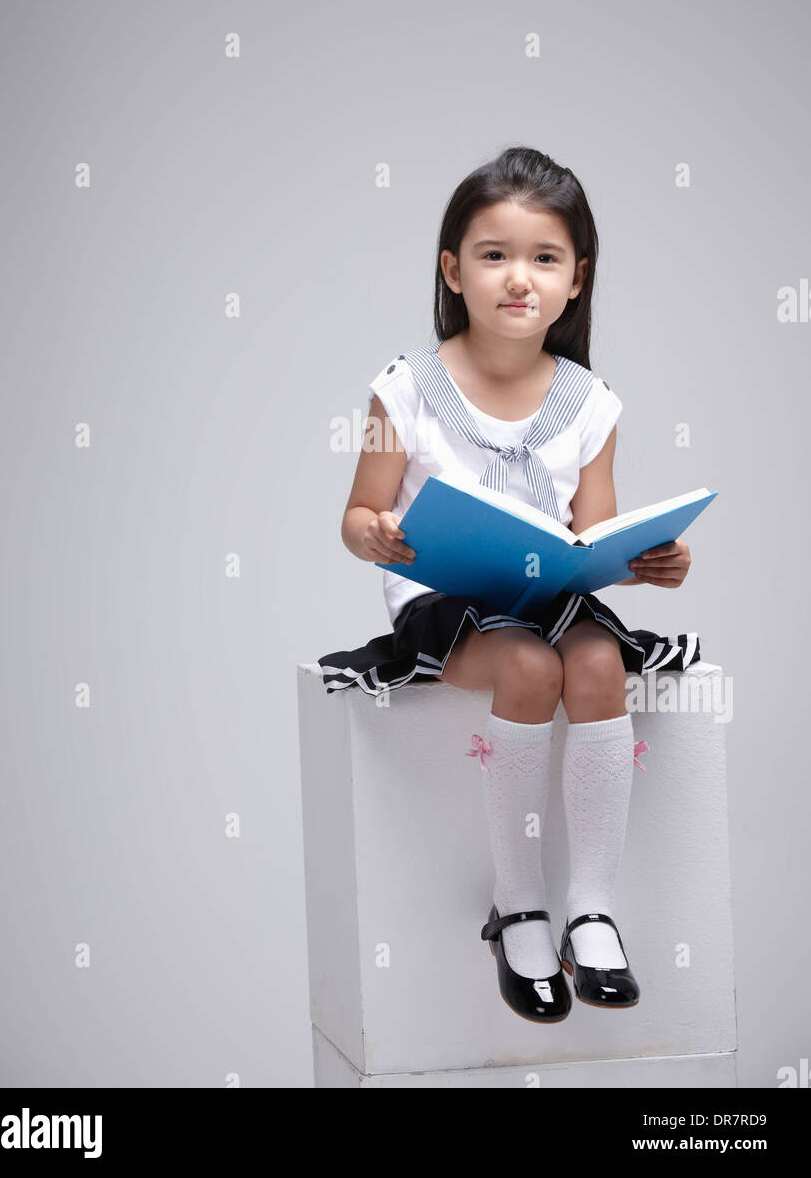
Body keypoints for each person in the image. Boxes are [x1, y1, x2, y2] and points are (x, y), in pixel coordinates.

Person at [317, 146, 704, 1023]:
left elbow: (592, 530)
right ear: (453, 271)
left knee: (597, 660)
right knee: (529, 669)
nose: (518, 278)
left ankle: (593, 908)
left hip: (545, 591)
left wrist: (650, 559)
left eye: (545, 258)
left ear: (577, 280)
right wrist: (374, 532)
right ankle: (519, 904)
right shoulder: (404, 390)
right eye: (493, 255)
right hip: (445, 600)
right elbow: (356, 516)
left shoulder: (589, 400)